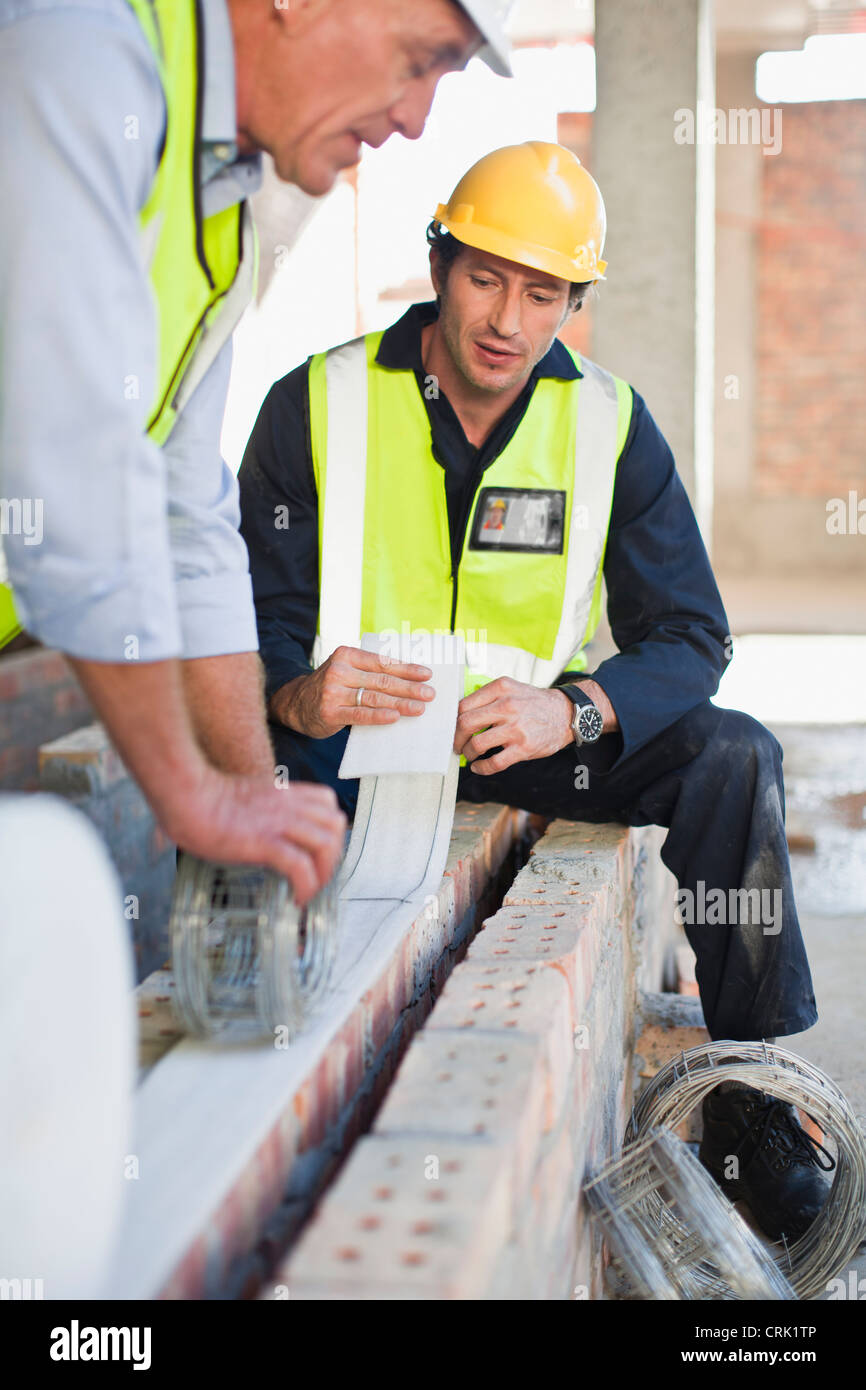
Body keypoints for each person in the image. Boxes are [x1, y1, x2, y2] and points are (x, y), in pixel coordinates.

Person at [238, 141, 832, 1242]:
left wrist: (578, 710)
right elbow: (248, 623)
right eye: (484, 277)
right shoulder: (311, 407)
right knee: (238, 805)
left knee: (732, 757)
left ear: (573, 300)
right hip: (347, 754)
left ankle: (749, 1106)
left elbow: (690, 633)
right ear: (438, 265)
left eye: (542, 290)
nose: (507, 317)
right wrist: (299, 696)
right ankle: (238, 1048)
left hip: (526, 743)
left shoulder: (607, 424)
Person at [0, 0, 513, 901]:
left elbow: (185, 521)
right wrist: (190, 794)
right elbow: (72, 471)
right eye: (421, 60)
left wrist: (252, 796)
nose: (416, 118)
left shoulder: (221, 204)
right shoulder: (76, 51)